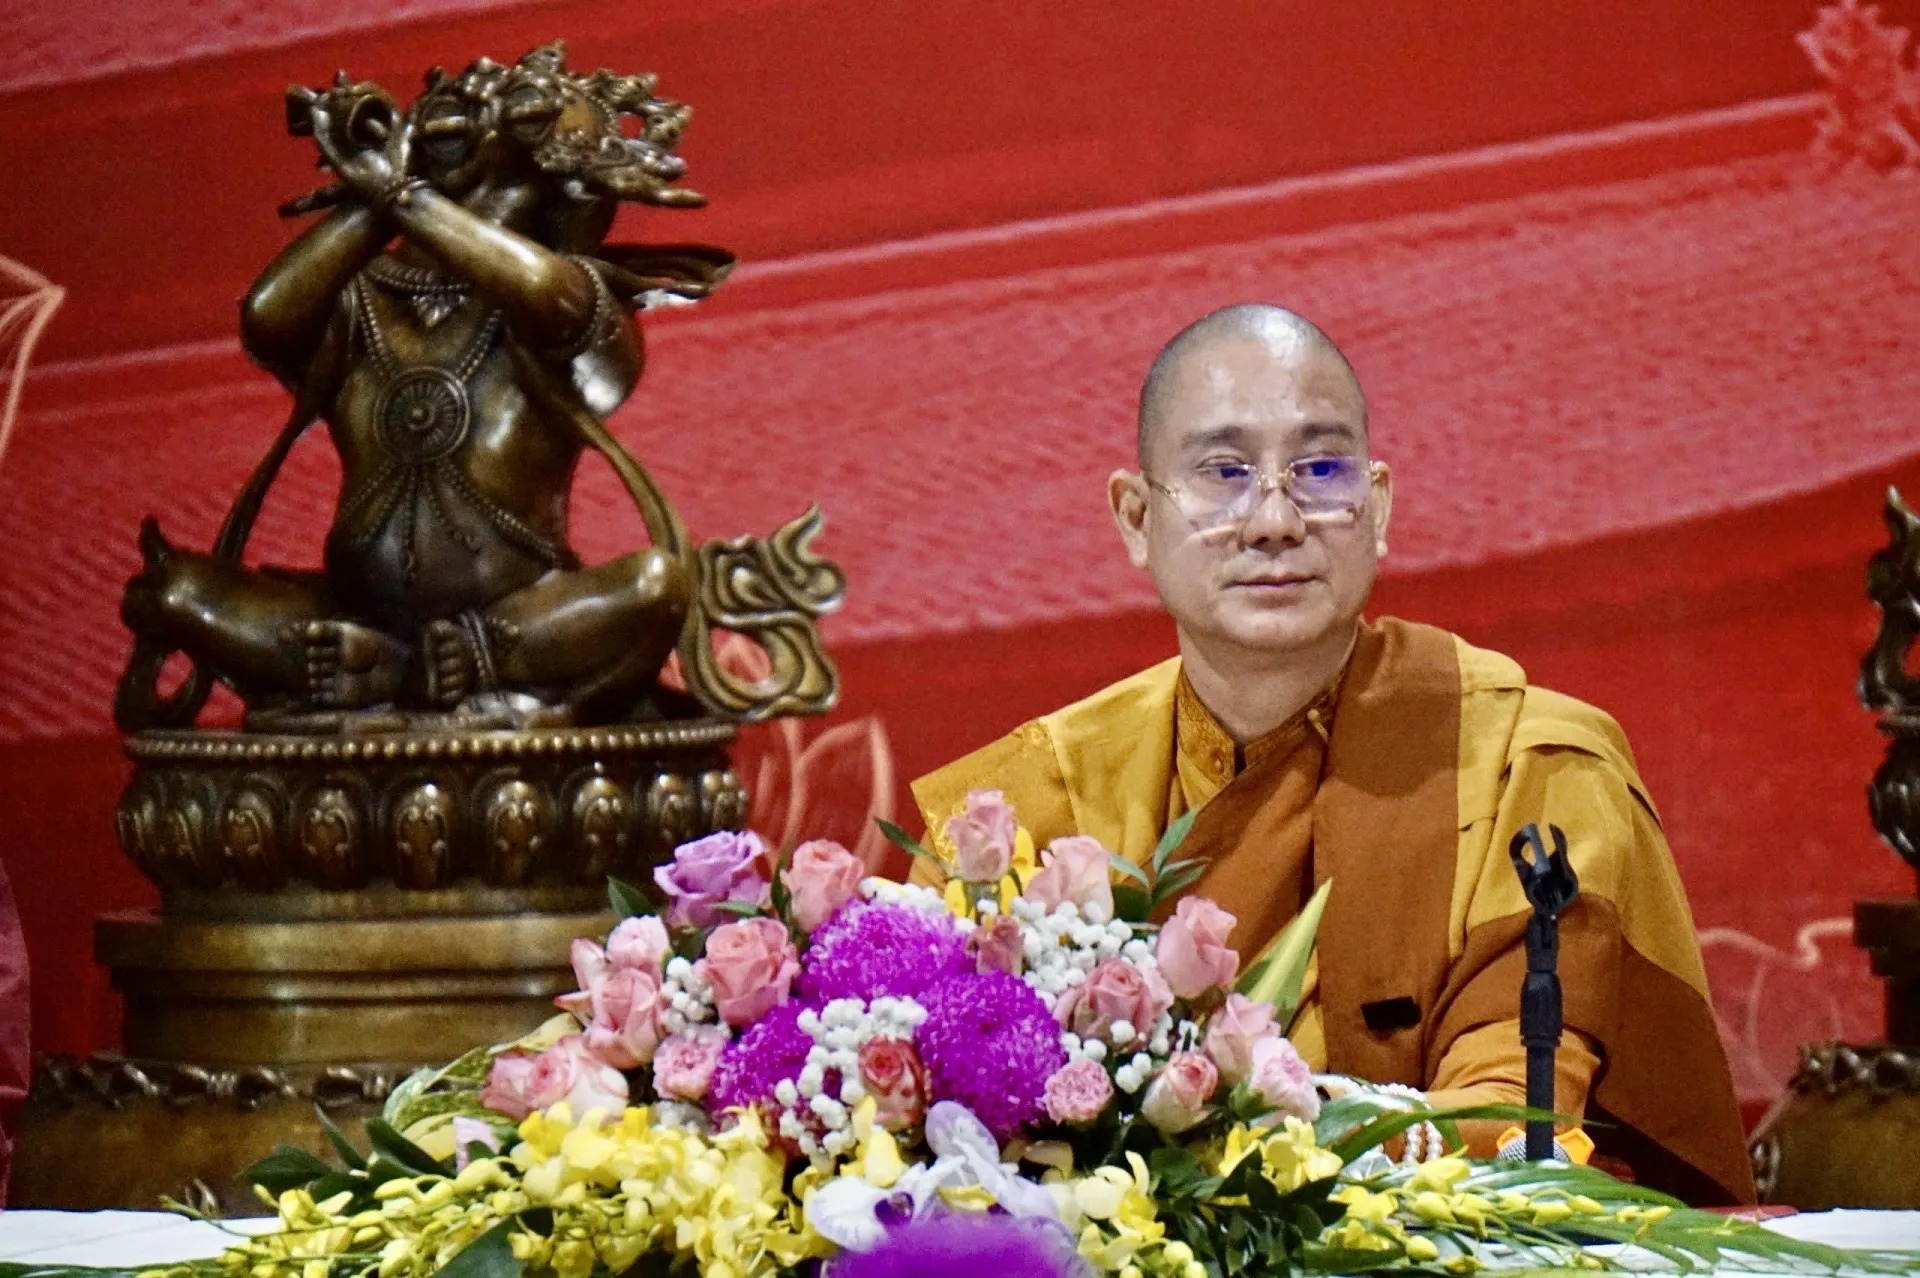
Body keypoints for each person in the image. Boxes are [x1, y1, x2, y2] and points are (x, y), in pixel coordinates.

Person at [912, 304, 1753, 1204]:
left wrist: (1229, 1137)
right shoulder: (1034, 806)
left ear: (1378, 507)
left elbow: (1516, 1113)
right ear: (1134, 516)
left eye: (1319, 469)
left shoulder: (1530, 763)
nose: (1274, 520)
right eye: (1224, 473)